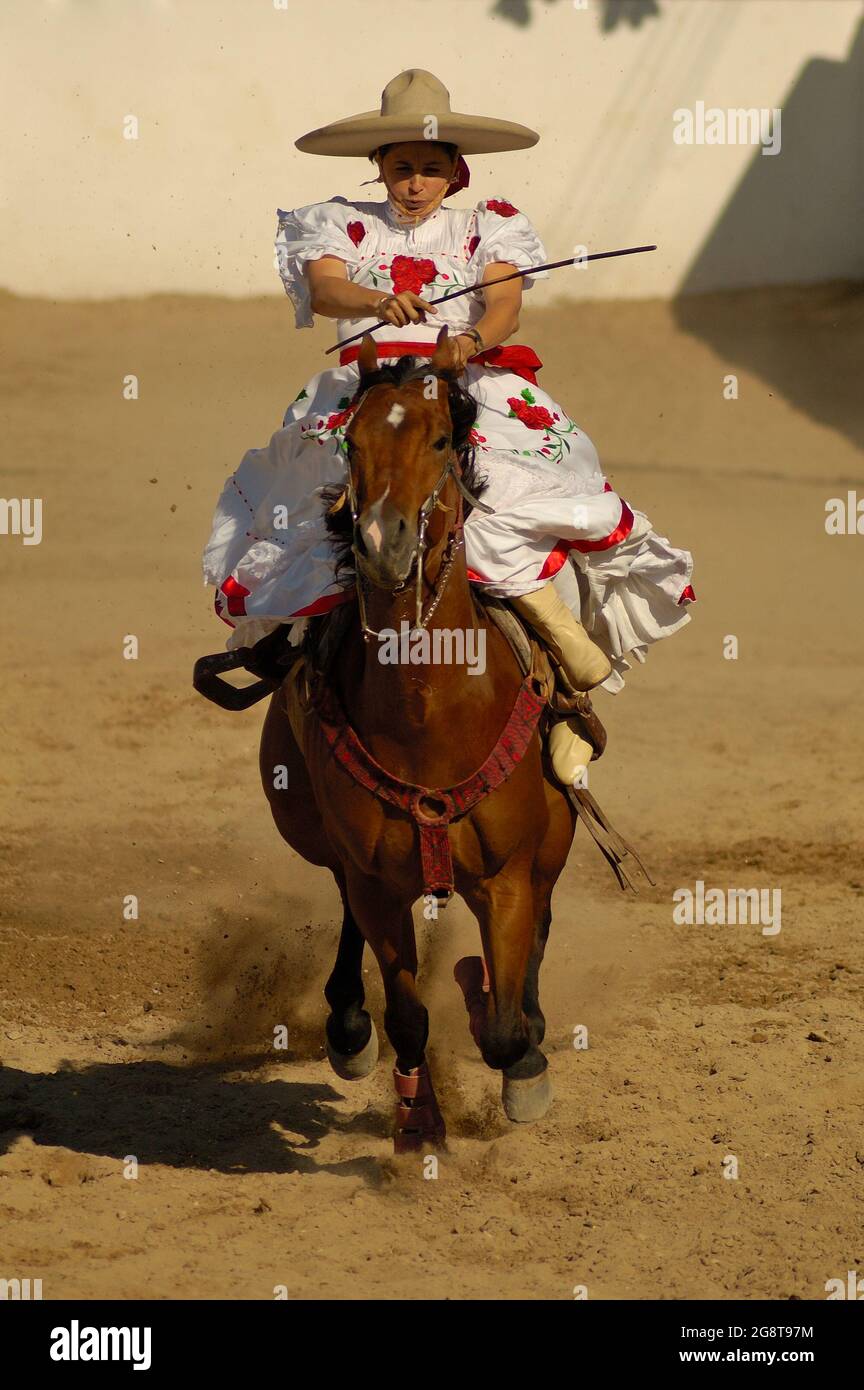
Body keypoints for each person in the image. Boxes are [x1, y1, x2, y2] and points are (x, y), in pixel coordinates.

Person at [202, 69, 694, 783]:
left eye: (430, 170)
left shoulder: (489, 221)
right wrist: (378, 299)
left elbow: (504, 308)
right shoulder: (338, 221)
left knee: (519, 492)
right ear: (380, 167)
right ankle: (297, 651)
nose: (414, 183)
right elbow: (327, 287)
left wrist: (474, 340)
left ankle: (562, 683)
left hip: (467, 383)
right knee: (312, 509)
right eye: (402, 168)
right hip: (368, 389)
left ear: (454, 171)